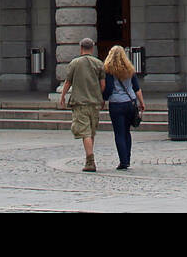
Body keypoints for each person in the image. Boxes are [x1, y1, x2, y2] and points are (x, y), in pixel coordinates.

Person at [59, 37, 105, 172]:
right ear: (92, 48)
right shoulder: (99, 63)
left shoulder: (74, 63)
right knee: (91, 132)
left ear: (81, 48)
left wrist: (62, 96)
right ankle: (88, 157)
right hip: (95, 103)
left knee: (85, 132)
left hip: (80, 102)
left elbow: (68, 82)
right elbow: (103, 85)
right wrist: (97, 95)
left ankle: (90, 161)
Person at [102, 45, 144, 171]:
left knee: (119, 133)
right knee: (127, 132)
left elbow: (108, 90)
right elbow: (136, 88)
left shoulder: (109, 70)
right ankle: (128, 158)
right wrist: (141, 102)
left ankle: (123, 161)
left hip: (116, 104)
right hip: (130, 103)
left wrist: (103, 99)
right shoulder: (130, 69)